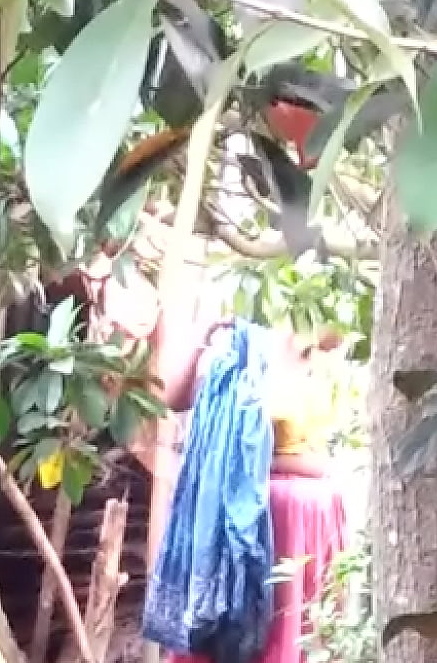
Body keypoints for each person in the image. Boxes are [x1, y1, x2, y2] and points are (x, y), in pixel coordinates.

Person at [70, 203, 350, 663]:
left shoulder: (320, 351)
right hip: (250, 512)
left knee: (294, 638)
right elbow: (172, 400)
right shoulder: (238, 345)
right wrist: (205, 335)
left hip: (303, 520)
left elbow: (314, 444)